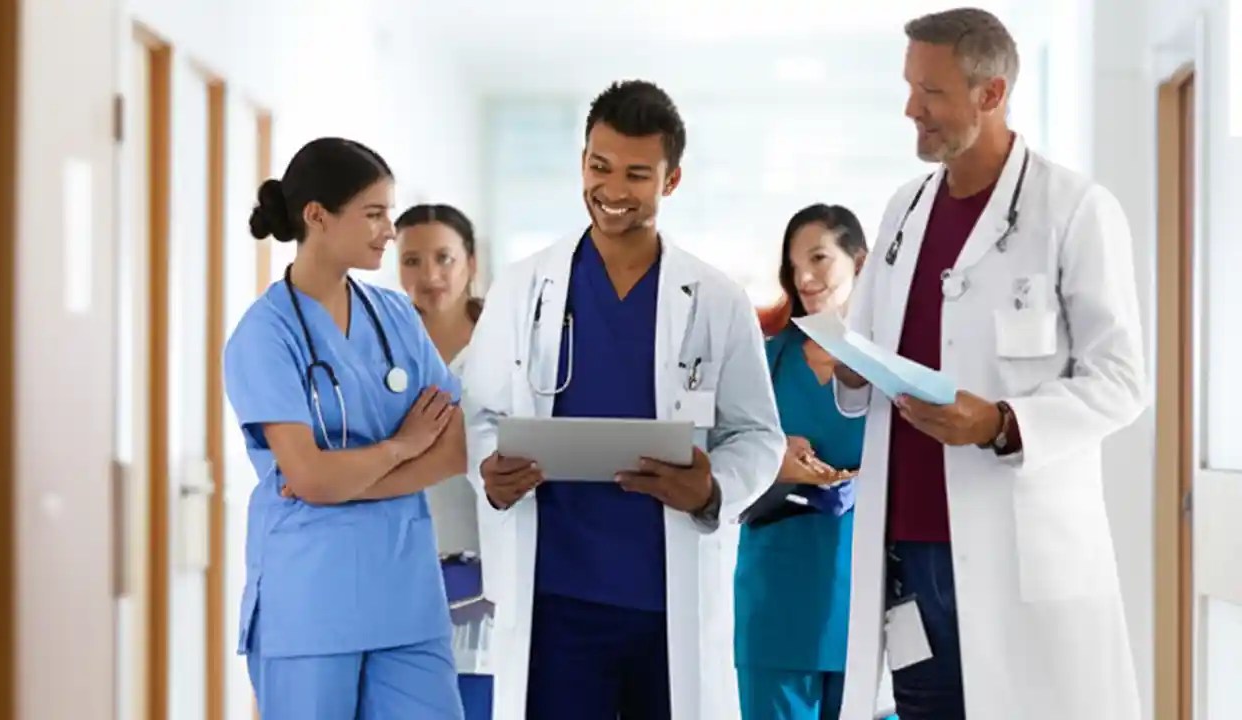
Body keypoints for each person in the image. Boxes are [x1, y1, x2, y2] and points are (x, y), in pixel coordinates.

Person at [832, 9, 1147, 720]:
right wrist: (850, 367)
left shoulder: (1074, 210)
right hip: (907, 551)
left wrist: (1004, 422)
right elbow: (869, 347)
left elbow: (1124, 380)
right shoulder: (903, 211)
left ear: (991, 93)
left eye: (931, 92)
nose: (911, 108)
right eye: (910, 87)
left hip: (1018, 553)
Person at [460, 80, 785, 720]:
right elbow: (483, 417)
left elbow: (759, 434)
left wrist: (713, 487)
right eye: (598, 166)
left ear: (672, 180)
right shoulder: (524, 287)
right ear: (582, 161)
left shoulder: (715, 299)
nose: (612, 190)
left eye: (637, 174)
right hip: (554, 593)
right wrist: (490, 474)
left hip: (666, 597)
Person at [224, 137, 467, 719]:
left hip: (406, 596)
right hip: (310, 601)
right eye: (374, 214)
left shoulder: (395, 316)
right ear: (317, 217)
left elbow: (456, 446)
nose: (389, 231)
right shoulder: (266, 334)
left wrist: (343, 478)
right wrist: (403, 448)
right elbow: (309, 475)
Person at [733, 204, 873, 720]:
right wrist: (772, 456)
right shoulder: (766, 358)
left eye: (819, 258)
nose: (806, 277)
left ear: (859, 259)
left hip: (867, 589)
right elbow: (722, 459)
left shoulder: (892, 362)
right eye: (794, 266)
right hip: (777, 590)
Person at [396, 202, 495, 719]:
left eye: (444, 258)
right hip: (408, 561)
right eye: (412, 260)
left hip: (492, 557)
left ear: (471, 263)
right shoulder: (381, 343)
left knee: (482, 697)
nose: (429, 275)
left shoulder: (507, 342)